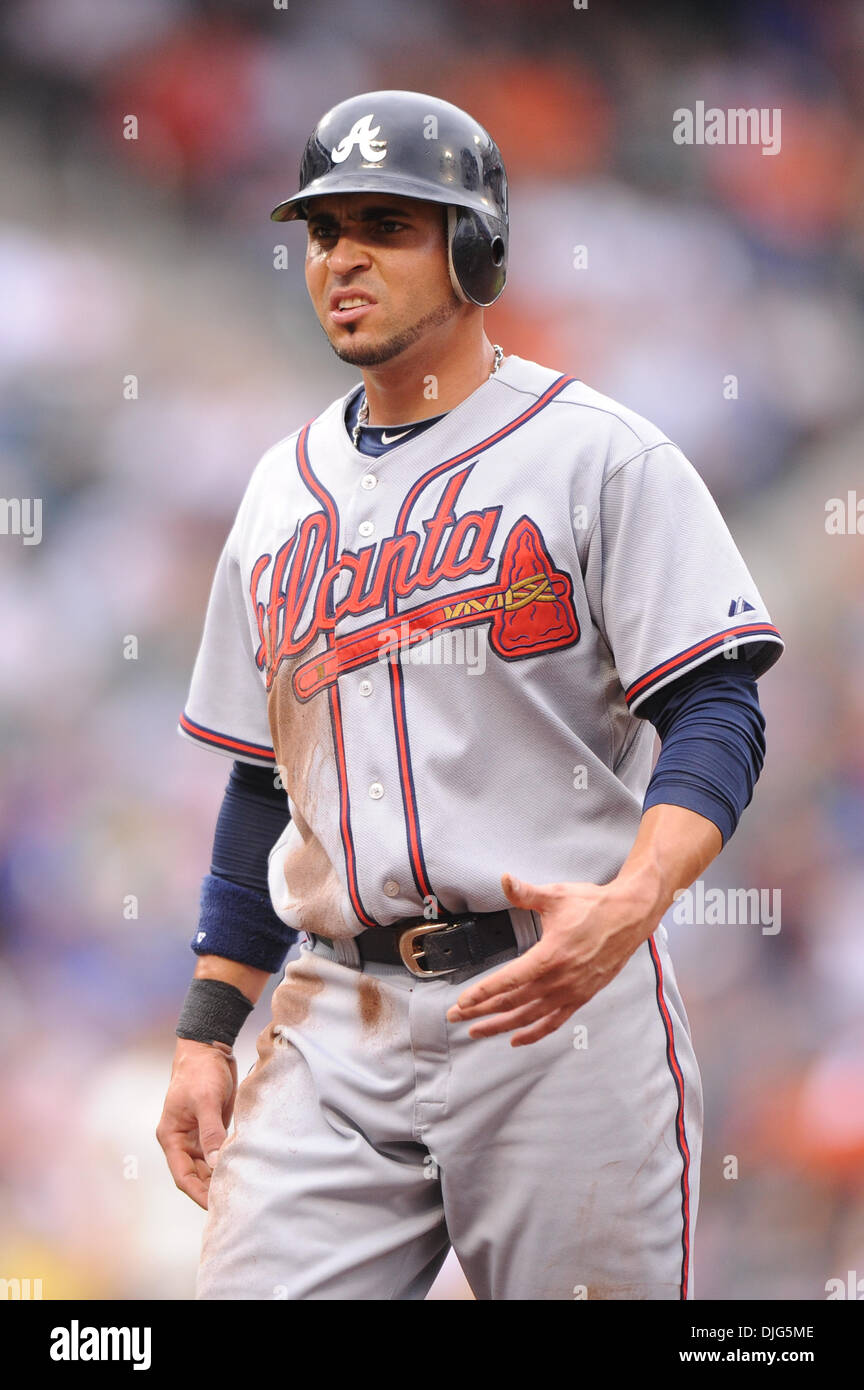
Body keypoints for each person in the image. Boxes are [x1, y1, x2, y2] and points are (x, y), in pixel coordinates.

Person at [156, 90, 783, 1301]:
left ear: (476, 247)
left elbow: (716, 705)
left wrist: (635, 898)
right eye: (323, 228)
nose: (341, 257)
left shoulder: (599, 453)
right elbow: (259, 784)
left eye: (385, 224)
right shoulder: (276, 493)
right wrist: (203, 1028)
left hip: (561, 1001)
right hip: (335, 1013)